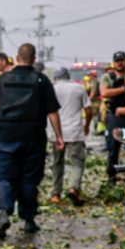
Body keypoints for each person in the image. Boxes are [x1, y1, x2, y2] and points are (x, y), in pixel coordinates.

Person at [0, 43, 63, 240]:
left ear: (16, 58)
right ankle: (28, 219)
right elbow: (52, 112)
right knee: (29, 178)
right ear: (33, 59)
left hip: (5, 135)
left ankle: (3, 212)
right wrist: (58, 136)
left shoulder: (3, 80)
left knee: (3, 176)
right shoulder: (42, 80)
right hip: (33, 136)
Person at [48, 66, 90, 205]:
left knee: (57, 162)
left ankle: (56, 194)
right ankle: (74, 188)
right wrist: (86, 126)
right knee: (77, 161)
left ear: (56, 77)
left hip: (56, 132)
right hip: (75, 131)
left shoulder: (51, 89)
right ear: (68, 76)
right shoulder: (78, 88)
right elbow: (88, 110)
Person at [99, 51, 125, 180]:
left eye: (122, 60)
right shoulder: (108, 77)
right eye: (117, 61)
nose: (119, 63)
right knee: (114, 148)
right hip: (114, 116)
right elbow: (104, 92)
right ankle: (112, 176)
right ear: (114, 62)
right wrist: (123, 88)